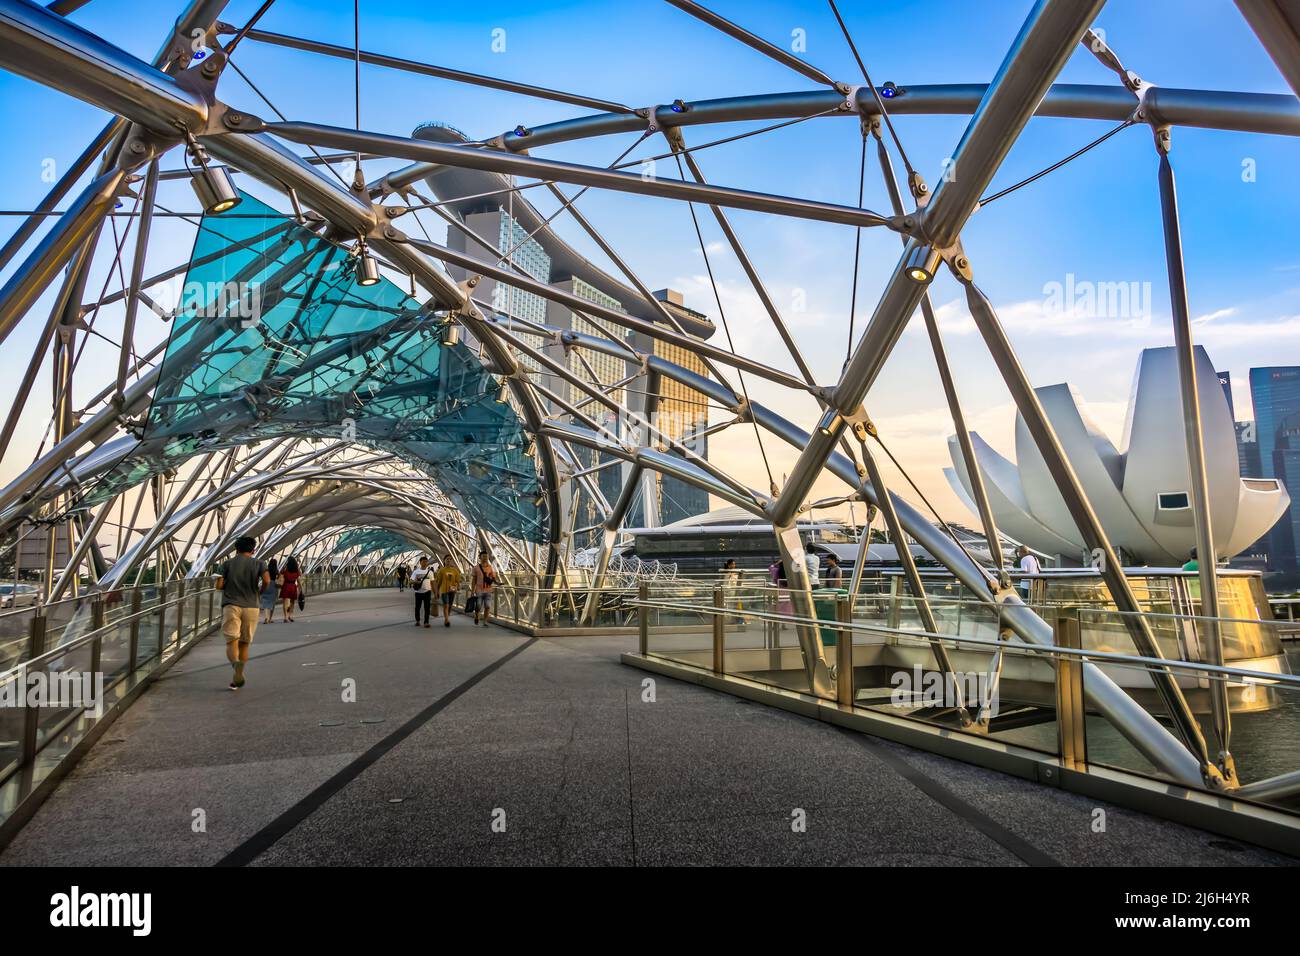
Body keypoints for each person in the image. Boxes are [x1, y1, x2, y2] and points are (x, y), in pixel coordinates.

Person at [215, 536, 269, 691]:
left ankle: (235, 666)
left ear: (236, 549)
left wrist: (225, 583)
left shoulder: (226, 564)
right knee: (244, 643)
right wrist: (260, 591)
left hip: (231, 605)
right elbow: (266, 580)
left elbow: (218, 586)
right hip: (252, 606)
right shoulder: (259, 563)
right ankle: (239, 673)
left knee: (231, 641)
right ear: (253, 550)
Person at [436, 554, 462, 628]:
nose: (449, 560)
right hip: (444, 590)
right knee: (446, 605)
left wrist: (458, 587)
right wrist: (437, 591)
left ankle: (447, 616)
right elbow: (439, 582)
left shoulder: (454, 571)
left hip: (452, 590)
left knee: (450, 605)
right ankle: (446, 620)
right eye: (447, 559)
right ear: (444, 560)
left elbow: (457, 581)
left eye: (450, 559)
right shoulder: (441, 570)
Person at [471, 551, 496, 626]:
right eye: (484, 556)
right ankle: (477, 616)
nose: (485, 558)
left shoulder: (490, 567)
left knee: (487, 606)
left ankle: (485, 621)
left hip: (488, 590)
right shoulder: (476, 568)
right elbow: (474, 580)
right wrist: (472, 590)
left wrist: (494, 580)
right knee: (478, 605)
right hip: (479, 590)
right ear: (480, 557)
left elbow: (493, 577)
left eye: (486, 556)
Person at [410, 556, 433, 627]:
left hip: (427, 592)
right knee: (417, 607)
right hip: (418, 592)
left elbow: (433, 582)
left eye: (426, 562)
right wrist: (416, 582)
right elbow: (410, 581)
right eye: (423, 562)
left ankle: (426, 622)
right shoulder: (416, 572)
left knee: (427, 607)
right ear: (420, 563)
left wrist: (435, 591)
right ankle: (418, 621)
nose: (425, 563)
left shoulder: (430, 572)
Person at [279, 556, 303, 622]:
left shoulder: (285, 569)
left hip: (286, 586)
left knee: (285, 603)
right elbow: (299, 580)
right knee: (292, 602)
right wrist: (301, 589)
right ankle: (290, 615)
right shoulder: (296, 570)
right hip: (293, 586)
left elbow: (280, 576)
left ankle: (285, 617)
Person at [259, 557, 280, 623]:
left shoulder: (267, 570)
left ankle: (266, 617)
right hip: (273, 586)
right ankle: (270, 618)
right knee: (272, 602)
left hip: (267, 584)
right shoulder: (276, 571)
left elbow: (263, 577)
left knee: (265, 601)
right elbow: (279, 578)